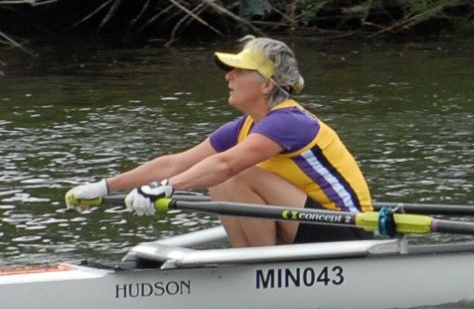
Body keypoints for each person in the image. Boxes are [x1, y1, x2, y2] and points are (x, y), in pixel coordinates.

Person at [62, 36, 375, 247]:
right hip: (307, 226)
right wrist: (105, 187)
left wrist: (166, 187)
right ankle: (253, 265)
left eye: (238, 71)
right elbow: (176, 162)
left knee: (234, 172)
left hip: (348, 231)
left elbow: (226, 164)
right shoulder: (245, 127)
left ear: (266, 85)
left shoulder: (290, 121)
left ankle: (262, 270)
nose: (229, 77)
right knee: (220, 176)